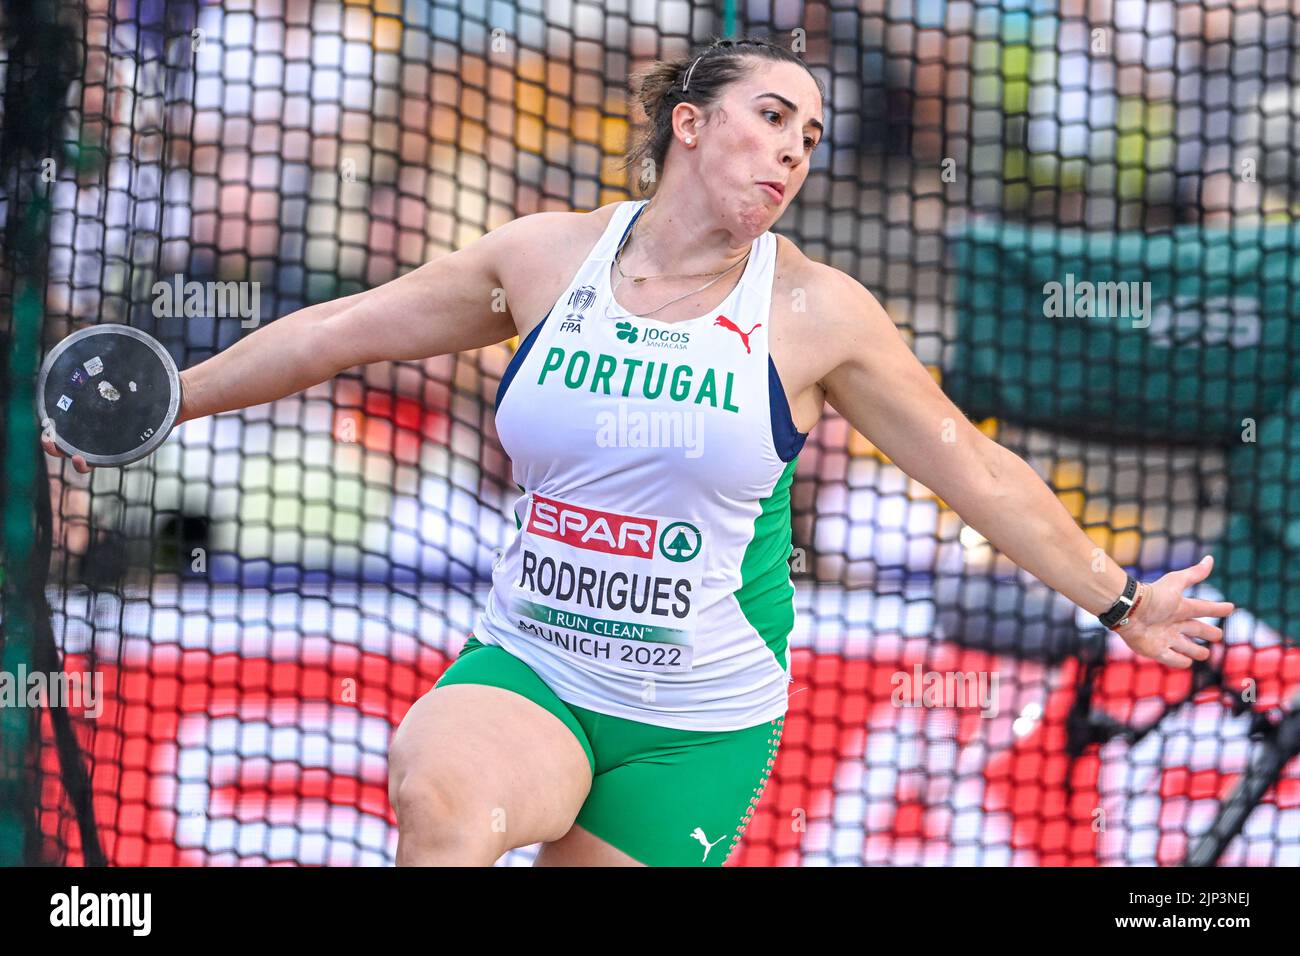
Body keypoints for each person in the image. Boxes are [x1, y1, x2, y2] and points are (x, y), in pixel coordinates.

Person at [41, 35, 1235, 867]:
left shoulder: (817, 311)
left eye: (810, 137)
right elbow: (333, 335)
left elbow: (973, 469)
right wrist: (162, 401)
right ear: (687, 123)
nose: (791, 152)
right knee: (439, 799)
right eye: (770, 118)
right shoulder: (543, 259)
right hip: (539, 668)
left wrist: (1119, 598)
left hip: (696, 721)